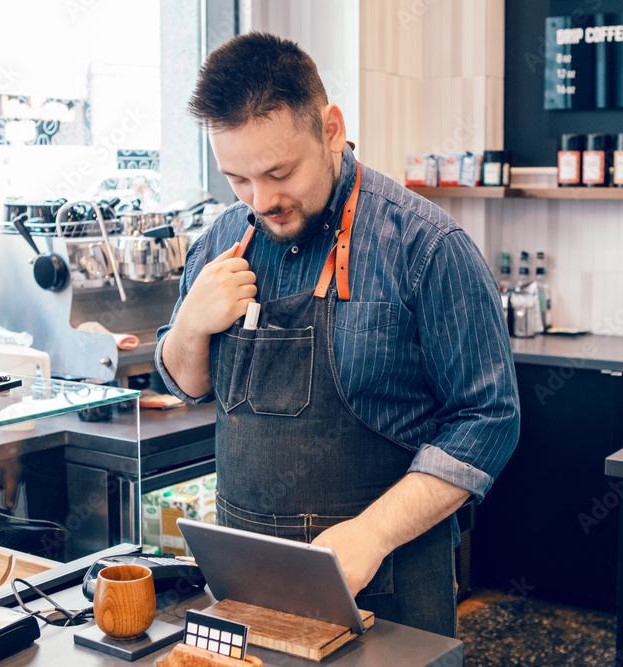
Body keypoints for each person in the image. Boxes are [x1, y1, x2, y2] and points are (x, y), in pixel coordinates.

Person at [156, 32, 519, 638]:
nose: (262, 200)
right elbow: (188, 382)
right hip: (243, 592)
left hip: (389, 592)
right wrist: (191, 323)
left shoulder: (426, 247)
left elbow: (489, 419)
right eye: (237, 179)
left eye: (279, 172)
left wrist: (371, 534)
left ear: (330, 128)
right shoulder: (219, 241)